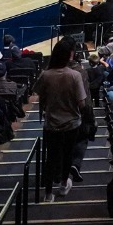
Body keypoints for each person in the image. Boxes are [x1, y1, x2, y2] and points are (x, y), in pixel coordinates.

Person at [37, 38, 90, 197]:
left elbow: (39, 93)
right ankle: (63, 185)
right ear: (70, 55)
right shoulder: (75, 75)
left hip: (51, 124)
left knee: (51, 157)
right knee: (68, 155)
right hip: (71, 124)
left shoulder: (45, 75)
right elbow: (82, 103)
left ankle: (47, 193)